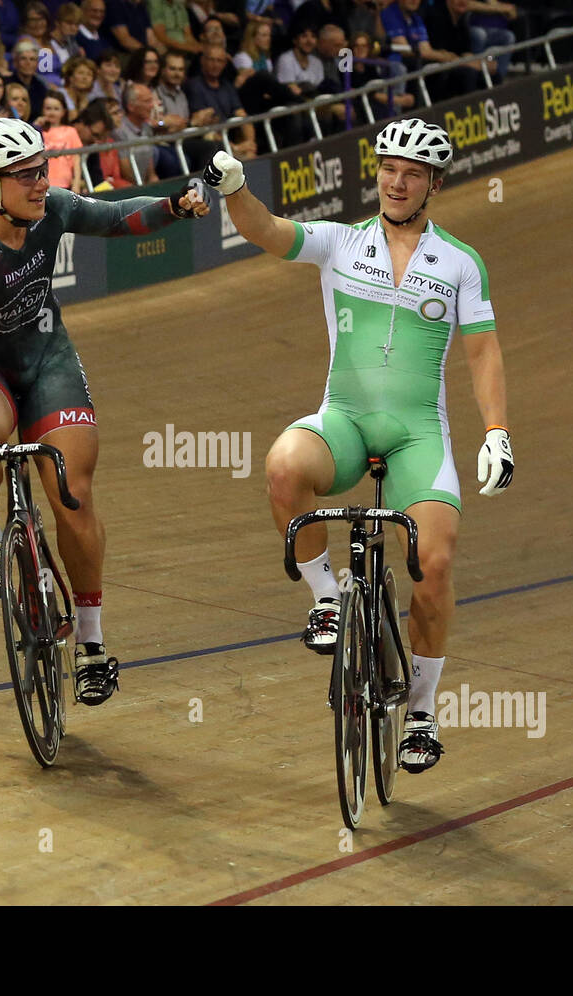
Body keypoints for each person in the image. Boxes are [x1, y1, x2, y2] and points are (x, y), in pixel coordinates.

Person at [204, 117, 514, 773]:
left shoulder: (460, 262)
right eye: (388, 170)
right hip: (343, 420)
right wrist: (235, 189)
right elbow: (267, 230)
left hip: (416, 438)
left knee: (432, 563)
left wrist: (496, 433)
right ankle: (328, 597)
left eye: (412, 174)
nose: (397, 183)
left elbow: (483, 351)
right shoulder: (341, 242)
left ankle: (422, 714)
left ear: (433, 183)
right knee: (285, 465)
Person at [0, 116, 209, 705]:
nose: (42, 182)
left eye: (43, 170)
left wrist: (176, 207)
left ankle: (91, 644)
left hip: (48, 360)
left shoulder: (51, 208)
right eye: (27, 174)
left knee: (73, 494)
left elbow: (114, 218)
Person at [34, 92, 83, 191]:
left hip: (66, 183)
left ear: (63, 112)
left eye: (56, 109)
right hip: (43, 183)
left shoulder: (70, 131)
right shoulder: (38, 131)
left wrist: (77, 182)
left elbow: (76, 159)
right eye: (48, 108)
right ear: (43, 110)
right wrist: (35, 126)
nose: (52, 112)